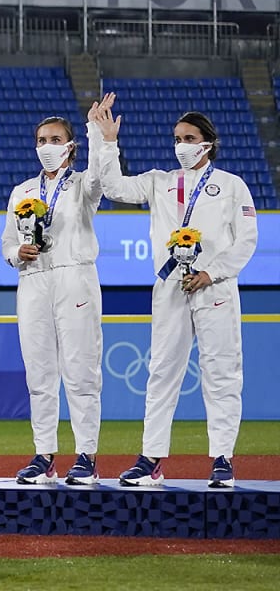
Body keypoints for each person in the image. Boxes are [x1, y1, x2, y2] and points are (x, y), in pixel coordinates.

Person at [90, 95, 257, 488]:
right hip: (170, 287)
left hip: (214, 288)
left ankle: (222, 460)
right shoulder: (158, 181)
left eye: (189, 137)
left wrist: (211, 272)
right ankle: (151, 459)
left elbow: (246, 241)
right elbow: (114, 187)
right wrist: (106, 140)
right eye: (176, 137)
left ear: (207, 143)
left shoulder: (232, 186)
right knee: (162, 372)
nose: (180, 144)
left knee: (222, 373)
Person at [0, 115, 106, 486]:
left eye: (55, 139)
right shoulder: (22, 191)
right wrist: (18, 253)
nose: (47, 146)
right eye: (42, 139)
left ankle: (86, 456)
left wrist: (98, 133)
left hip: (73, 275)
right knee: (39, 375)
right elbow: (6, 244)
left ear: (70, 146)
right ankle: (44, 455)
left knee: (80, 371)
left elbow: (99, 176)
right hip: (32, 279)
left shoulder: (82, 186)